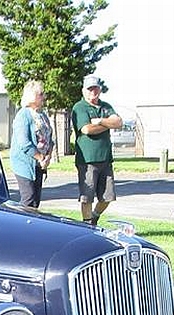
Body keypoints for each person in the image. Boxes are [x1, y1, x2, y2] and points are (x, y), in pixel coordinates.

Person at [72, 74, 122, 225]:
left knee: (108, 196)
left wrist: (100, 121)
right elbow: (87, 129)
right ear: (83, 90)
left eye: (95, 88)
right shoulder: (79, 107)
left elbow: (118, 122)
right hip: (87, 160)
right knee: (87, 196)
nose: (93, 92)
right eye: (90, 89)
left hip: (105, 158)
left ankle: (94, 216)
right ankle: (87, 223)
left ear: (100, 90)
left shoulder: (106, 106)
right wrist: (108, 124)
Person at [9, 80, 54, 208]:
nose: (43, 97)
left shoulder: (42, 115)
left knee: (35, 202)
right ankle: (20, 227)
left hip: (40, 164)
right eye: (40, 94)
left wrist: (47, 157)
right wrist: (40, 158)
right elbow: (24, 143)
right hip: (25, 164)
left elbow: (50, 138)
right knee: (28, 199)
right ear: (31, 96)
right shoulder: (23, 115)